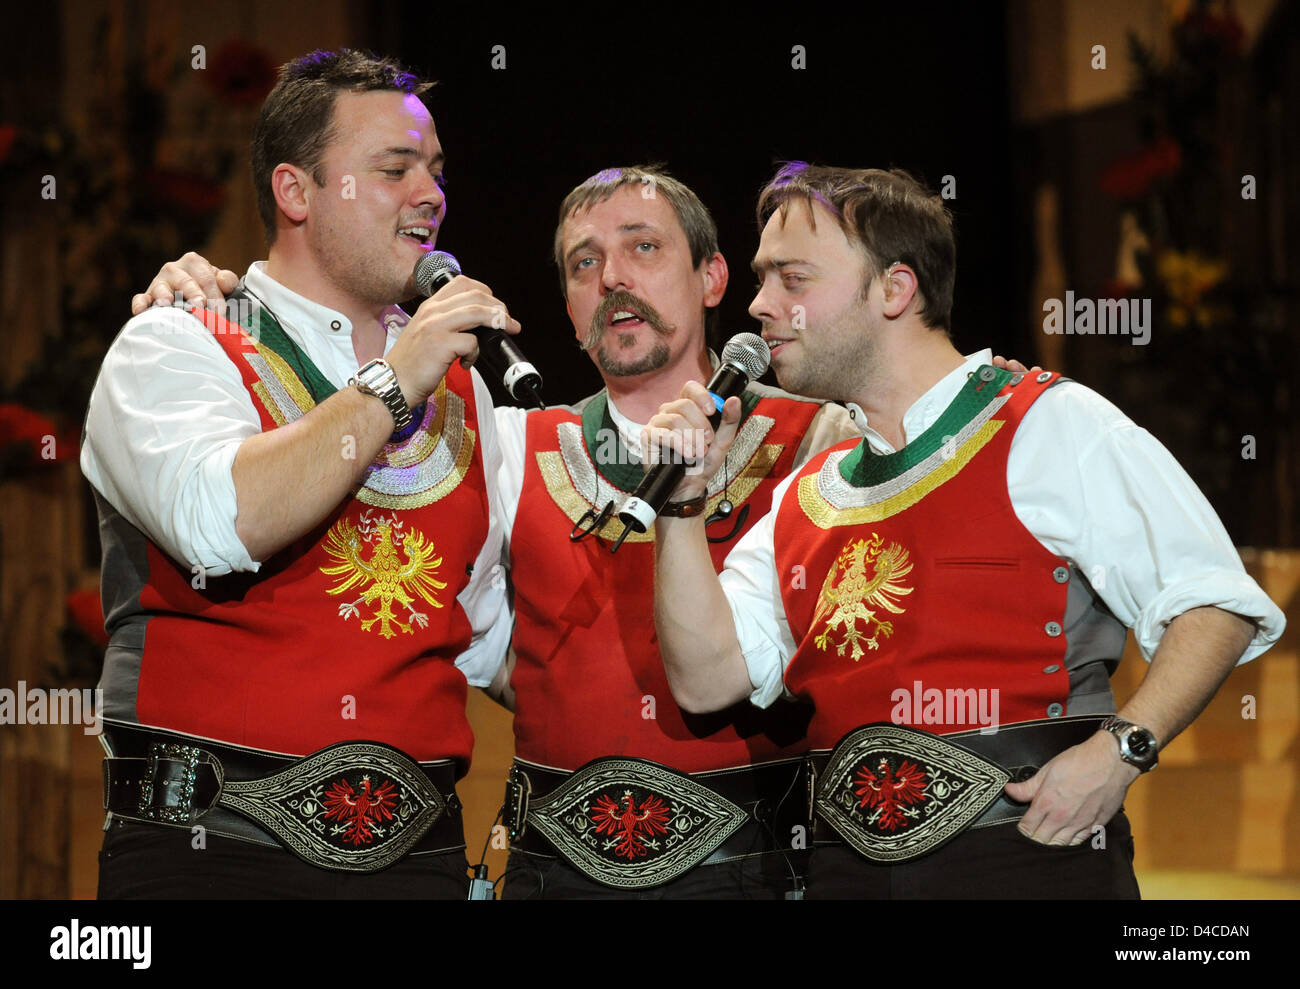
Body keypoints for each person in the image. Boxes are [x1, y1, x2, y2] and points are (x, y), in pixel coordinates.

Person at [133, 165, 872, 898]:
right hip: (550, 878)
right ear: (569, 306)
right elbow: (329, 452)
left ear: (713, 278)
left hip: (765, 875)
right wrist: (229, 301)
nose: (612, 277)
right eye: (584, 263)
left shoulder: (826, 440)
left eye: (642, 248)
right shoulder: (508, 443)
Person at [646, 163, 1286, 898]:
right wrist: (680, 506)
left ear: (894, 289)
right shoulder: (805, 496)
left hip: (1029, 860)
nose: (760, 304)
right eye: (762, 279)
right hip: (845, 875)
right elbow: (706, 680)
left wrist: (1123, 750)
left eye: (793, 279)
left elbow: (1217, 603)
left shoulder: (1049, 423)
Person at [82, 49, 520, 898]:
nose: (430, 193)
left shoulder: (468, 397)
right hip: (211, 858)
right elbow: (221, 522)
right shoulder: (176, 341)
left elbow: (489, 640)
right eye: (394, 169)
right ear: (296, 192)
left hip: (418, 864)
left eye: (434, 170)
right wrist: (399, 377)